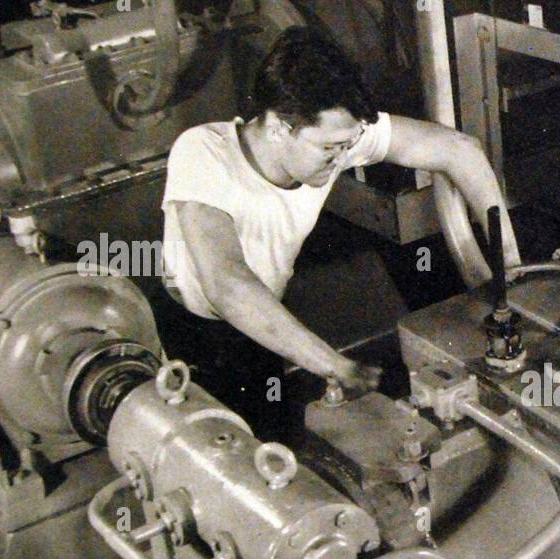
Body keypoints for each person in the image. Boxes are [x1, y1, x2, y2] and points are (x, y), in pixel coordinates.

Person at [159, 25, 518, 436]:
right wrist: (334, 365)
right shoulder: (203, 153)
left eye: (347, 146)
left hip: (265, 315)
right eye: (330, 148)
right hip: (201, 333)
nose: (342, 158)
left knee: (281, 439)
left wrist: (510, 266)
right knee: (230, 457)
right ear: (278, 127)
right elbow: (227, 285)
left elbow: (458, 150)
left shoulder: (332, 134)